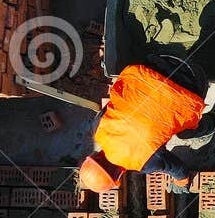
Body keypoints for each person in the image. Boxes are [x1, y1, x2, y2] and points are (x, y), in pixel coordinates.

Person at [79, 55, 208, 194]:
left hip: (191, 83)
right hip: (154, 63)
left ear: (118, 176)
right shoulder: (98, 128)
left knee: (185, 133)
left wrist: (181, 183)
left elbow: (179, 169)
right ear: (94, 155)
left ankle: (209, 124)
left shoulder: (144, 163)